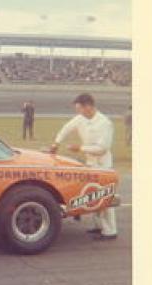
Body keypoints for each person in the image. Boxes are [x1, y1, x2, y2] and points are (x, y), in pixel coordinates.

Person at [49, 92, 117, 241]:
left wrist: (79, 148)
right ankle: (98, 226)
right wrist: (56, 143)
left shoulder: (105, 123)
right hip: (90, 163)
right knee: (93, 194)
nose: (78, 112)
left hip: (103, 164)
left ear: (88, 107)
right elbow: (66, 128)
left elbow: (102, 148)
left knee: (105, 196)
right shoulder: (81, 119)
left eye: (79, 109)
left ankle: (110, 231)